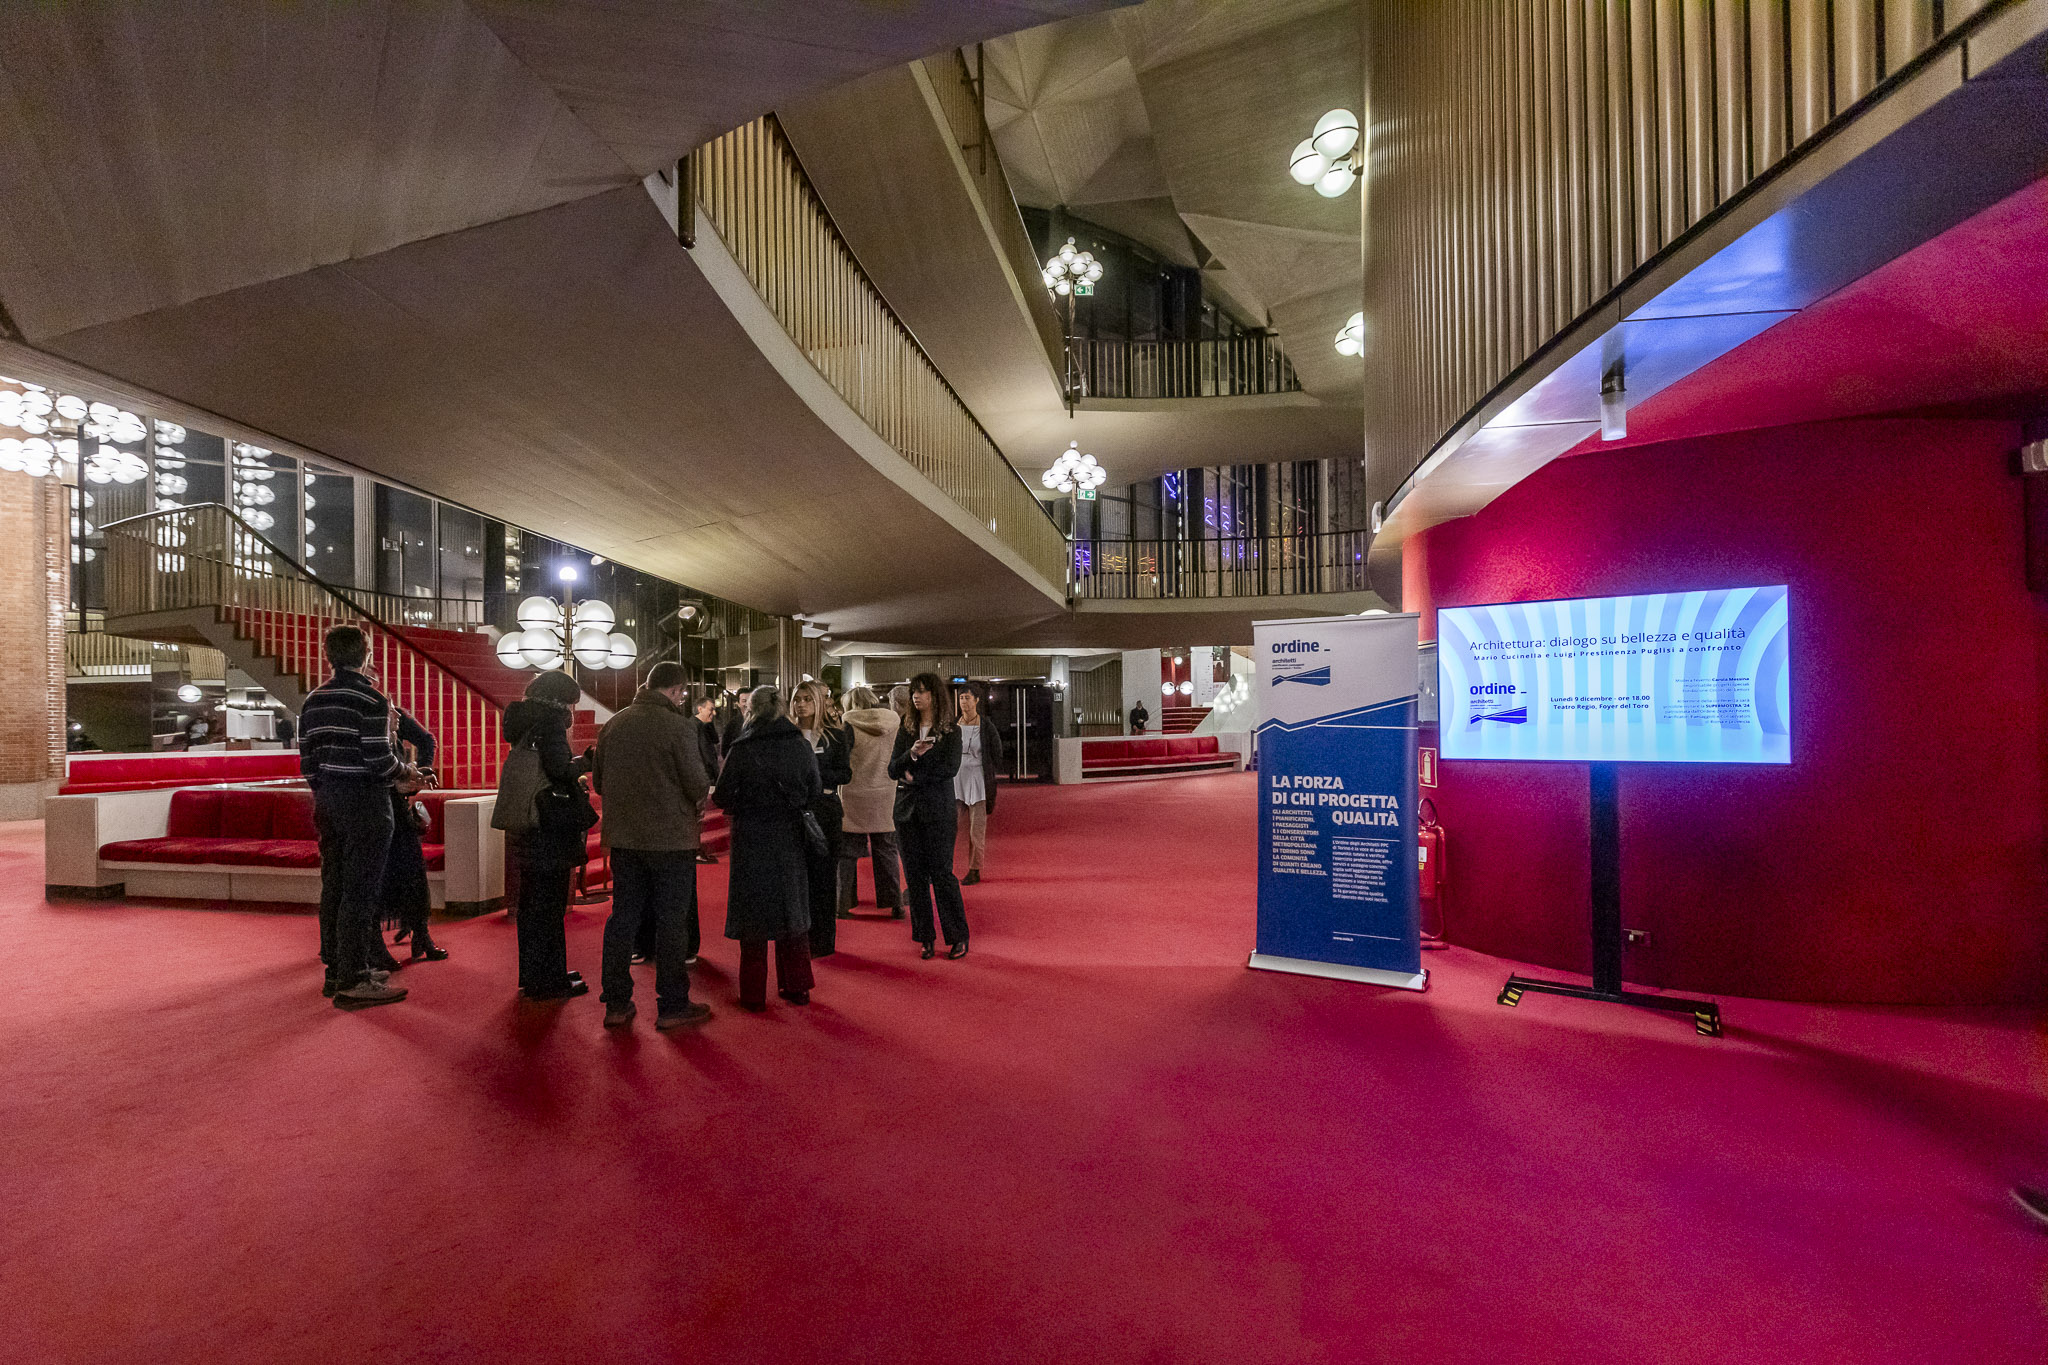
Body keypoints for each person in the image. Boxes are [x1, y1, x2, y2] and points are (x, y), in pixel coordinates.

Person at [591, 661, 713, 1030]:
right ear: (676, 690)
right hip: (670, 839)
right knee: (671, 922)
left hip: (625, 839)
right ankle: (672, 1004)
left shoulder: (615, 723)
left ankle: (616, 1002)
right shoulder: (678, 727)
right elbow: (696, 784)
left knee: (622, 919)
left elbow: (598, 783)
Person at [300, 624, 415, 1009]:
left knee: (333, 884)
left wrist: (325, 789)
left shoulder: (313, 701)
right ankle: (355, 978)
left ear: (328, 655)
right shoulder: (372, 699)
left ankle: (336, 970)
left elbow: (308, 762)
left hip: (327, 800)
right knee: (361, 891)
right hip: (366, 801)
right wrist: (406, 773)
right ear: (366, 655)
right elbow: (379, 761)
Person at [714, 687, 819, 1010]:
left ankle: (753, 993)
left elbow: (722, 795)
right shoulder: (800, 745)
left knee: (753, 916)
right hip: (789, 836)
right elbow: (813, 790)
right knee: (792, 911)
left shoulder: (743, 748)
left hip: (751, 837)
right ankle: (797, 985)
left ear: (752, 712)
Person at [502, 670, 593, 1001]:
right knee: (550, 906)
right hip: (549, 824)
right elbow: (558, 770)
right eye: (570, 702)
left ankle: (534, 974)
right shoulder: (550, 723)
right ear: (560, 700)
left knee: (531, 904)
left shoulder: (523, 722)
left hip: (528, 822)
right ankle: (550, 980)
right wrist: (586, 761)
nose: (571, 711)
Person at [889, 672, 968, 960]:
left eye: (922, 691)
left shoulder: (950, 731)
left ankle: (957, 936)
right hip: (907, 812)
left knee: (942, 874)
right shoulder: (907, 727)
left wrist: (913, 777)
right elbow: (892, 769)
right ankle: (925, 938)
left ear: (935, 695)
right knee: (915, 877)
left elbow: (949, 769)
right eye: (914, 692)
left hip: (938, 810)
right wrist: (910, 755)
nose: (916, 696)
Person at [383, 706, 448, 963]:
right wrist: (411, 774)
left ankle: (421, 933)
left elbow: (426, 739)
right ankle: (378, 946)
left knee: (413, 871)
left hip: (398, 807)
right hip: (376, 807)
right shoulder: (369, 722)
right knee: (385, 875)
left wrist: (424, 769)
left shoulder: (391, 718)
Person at [791, 680, 851, 958]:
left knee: (824, 878)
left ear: (817, 702)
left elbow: (845, 774)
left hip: (825, 810)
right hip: (794, 813)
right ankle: (797, 940)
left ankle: (824, 941)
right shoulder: (787, 736)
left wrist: (815, 775)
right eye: (797, 699)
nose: (801, 704)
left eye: (806, 699)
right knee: (797, 880)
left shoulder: (835, 735)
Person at [837, 686, 904, 918]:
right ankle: (894, 902)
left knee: (847, 853)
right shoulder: (894, 722)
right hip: (885, 792)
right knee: (886, 849)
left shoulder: (848, 724)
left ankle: (843, 903)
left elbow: (841, 760)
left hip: (855, 793)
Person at [953, 684, 1004, 886]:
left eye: (967, 697)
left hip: (978, 780)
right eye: (961, 698)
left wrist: (989, 771)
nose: (964, 702)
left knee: (976, 830)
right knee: (949, 827)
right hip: (956, 779)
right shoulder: (954, 725)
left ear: (976, 701)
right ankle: (942, 868)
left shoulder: (986, 725)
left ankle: (974, 869)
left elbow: (997, 752)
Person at [692, 692, 723, 863]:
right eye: (711, 709)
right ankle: (695, 850)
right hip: (699, 777)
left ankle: (696, 849)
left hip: (702, 776)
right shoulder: (693, 728)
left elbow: (713, 742)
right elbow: (703, 755)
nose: (715, 713)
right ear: (700, 708)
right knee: (697, 816)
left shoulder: (703, 727)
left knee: (698, 816)